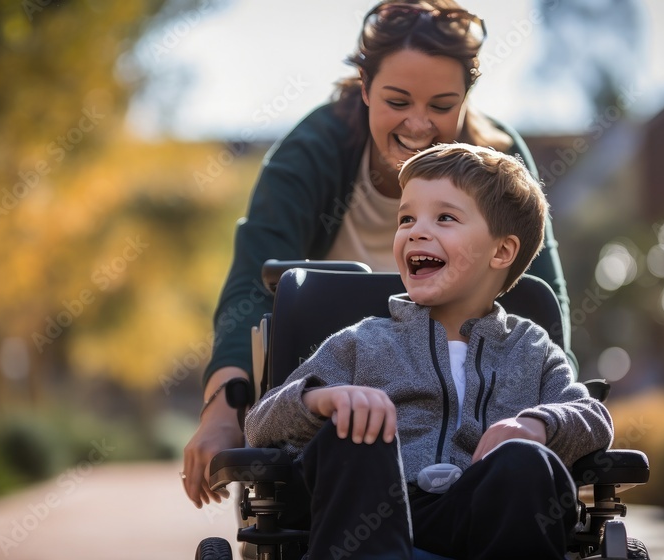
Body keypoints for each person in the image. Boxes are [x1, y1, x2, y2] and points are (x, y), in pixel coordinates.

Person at [182, 0, 573, 508]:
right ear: (365, 88)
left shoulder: (496, 165)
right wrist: (222, 411)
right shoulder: (313, 152)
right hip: (347, 390)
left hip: (473, 406)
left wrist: (546, 418)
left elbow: (541, 297)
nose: (418, 124)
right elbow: (251, 289)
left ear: (465, 100)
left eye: (440, 105)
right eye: (397, 100)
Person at [244, 143, 613, 559]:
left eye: (445, 218)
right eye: (406, 218)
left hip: (482, 516)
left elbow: (593, 418)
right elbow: (260, 424)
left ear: (502, 251)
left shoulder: (531, 349)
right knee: (358, 436)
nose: (415, 231)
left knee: (524, 463)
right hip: (374, 517)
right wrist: (320, 399)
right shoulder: (363, 341)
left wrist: (537, 426)